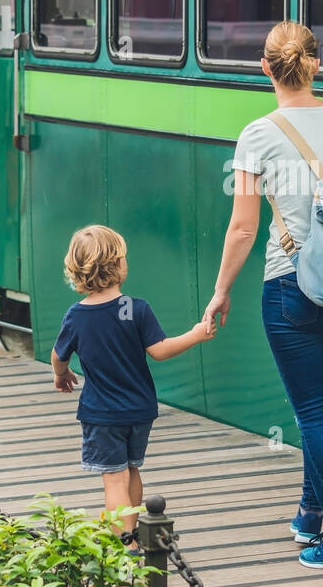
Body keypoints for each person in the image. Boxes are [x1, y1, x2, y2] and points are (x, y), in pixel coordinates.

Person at [203, 21, 323, 573]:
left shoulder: (258, 134)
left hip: (293, 291)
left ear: (265, 67)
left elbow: (242, 229)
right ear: (317, 64)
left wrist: (220, 292)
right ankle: (310, 513)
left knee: (313, 412)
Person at [52, 224, 214, 547]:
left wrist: (61, 374)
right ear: (117, 265)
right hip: (139, 411)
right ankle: (132, 530)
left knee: (114, 479)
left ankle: (124, 543)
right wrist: (196, 334)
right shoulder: (135, 309)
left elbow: (58, 357)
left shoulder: (76, 316)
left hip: (101, 414)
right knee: (132, 470)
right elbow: (160, 350)